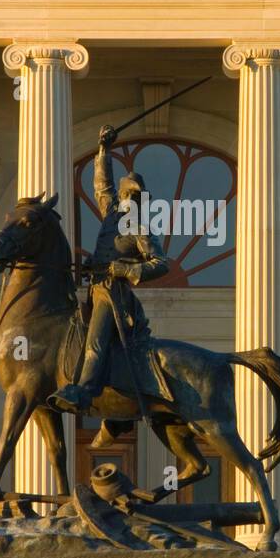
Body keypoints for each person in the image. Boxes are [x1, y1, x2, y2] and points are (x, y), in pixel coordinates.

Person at [48, 124, 169, 435]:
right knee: (70, 337)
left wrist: (127, 271)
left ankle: (83, 391)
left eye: (135, 196)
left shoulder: (140, 228)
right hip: (93, 285)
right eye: (128, 193)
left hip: (112, 292)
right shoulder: (112, 213)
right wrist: (104, 149)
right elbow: (101, 185)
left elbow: (162, 264)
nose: (130, 199)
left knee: (96, 343)